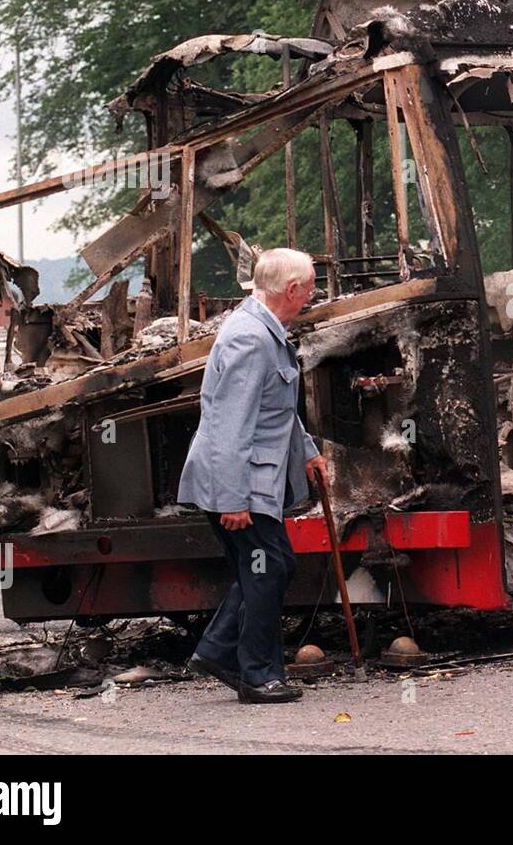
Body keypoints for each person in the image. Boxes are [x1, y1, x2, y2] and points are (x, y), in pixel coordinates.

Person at [178, 248, 328, 704]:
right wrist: (233, 500)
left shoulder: (266, 330)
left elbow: (275, 406)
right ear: (292, 289)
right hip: (238, 481)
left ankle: (221, 652)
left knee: (263, 568)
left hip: (249, 478)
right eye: (312, 285)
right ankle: (256, 673)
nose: (314, 292)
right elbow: (229, 423)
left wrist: (307, 451)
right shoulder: (250, 338)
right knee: (270, 567)